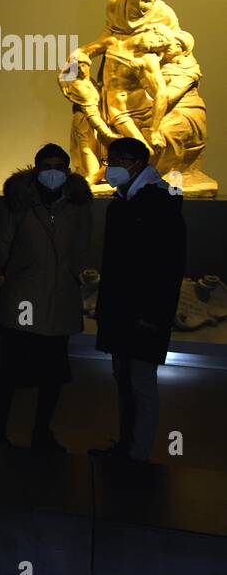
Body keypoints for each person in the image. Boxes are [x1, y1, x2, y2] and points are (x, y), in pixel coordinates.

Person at [0, 144, 92, 451]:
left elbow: (83, 245)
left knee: (53, 374)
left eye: (60, 166)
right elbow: (2, 243)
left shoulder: (78, 205)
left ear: (69, 170)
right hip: (25, 296)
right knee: (10, 369)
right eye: (47, 166)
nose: (53, 172)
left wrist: (73, 275)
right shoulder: (19, 202)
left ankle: (41, 431)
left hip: (60, 298)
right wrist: (19, 273)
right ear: (35, 169)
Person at [89, 137, 186, 464]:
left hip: (143, 314)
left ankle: (137, 453)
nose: (112, 165)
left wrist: (155, 313)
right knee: (124, 381)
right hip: (120, 309)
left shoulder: (160, 201)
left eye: (120, 159)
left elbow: (170, 264)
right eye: (109, 158)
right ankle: (127, 447)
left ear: (138, 163)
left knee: (140, 383)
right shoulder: (122, 201)